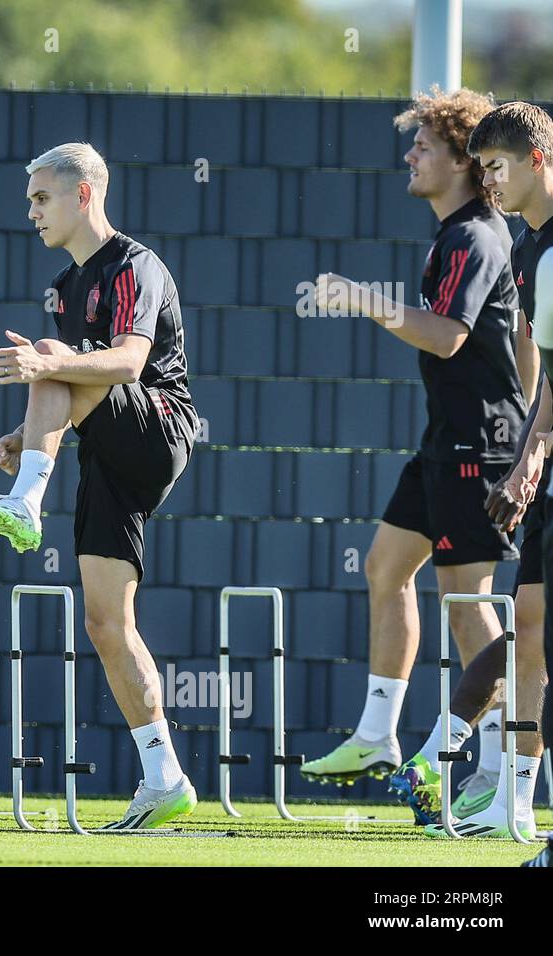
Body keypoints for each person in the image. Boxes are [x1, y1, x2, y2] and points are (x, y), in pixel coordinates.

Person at [299, 90, 529, 810]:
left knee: (467, 603)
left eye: (424, 146)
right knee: (385, 566)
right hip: (445, 440)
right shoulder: (457, 234)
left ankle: (494, 772)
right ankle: (377, 732)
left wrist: (361, 298)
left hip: (479, 445)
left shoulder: (475, 236)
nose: (410, 155)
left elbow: (446, 334)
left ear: (463, 161)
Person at [0, 142, 200, 830]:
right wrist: (26, 439)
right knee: (105, 623)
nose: (32, 212)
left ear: (84, 195)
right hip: (109, 449)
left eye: (42, 198)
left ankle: (25, 503)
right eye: (30, 200)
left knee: (49, 358)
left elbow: (128, 363)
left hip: (160, 426)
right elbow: (74, 384)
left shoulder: (134, 264)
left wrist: (53, 367)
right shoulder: (69, 287)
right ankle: (164, 778)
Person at [461, 100, 553, 849]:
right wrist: (528, 465)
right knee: (527, 627)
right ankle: (513, 805)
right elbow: (549, 379)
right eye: (482, 168)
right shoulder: (529, 248)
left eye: (498, 167)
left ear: (539, 160)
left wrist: (528, 464)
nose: (488, 182)